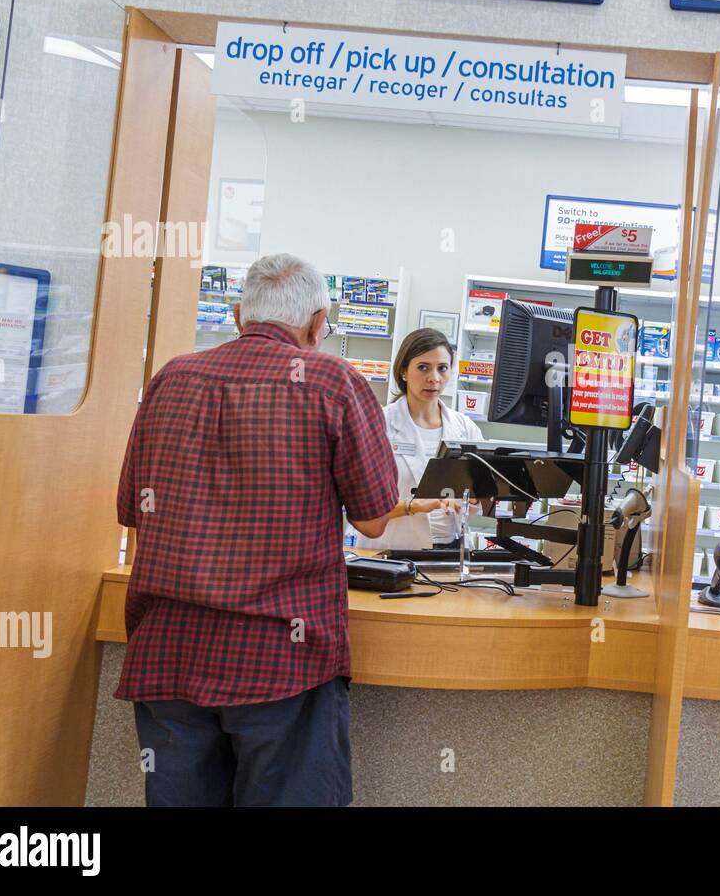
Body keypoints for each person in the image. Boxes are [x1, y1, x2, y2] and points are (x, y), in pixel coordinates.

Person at [115, 253, 399, 807]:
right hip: (280, 660)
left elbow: (131, 507)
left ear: (239, 314)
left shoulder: (172, 376)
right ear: (320, 323)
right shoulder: (333, 382)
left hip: (168, 654)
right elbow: (372, 519)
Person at [356, 328, 483, 551]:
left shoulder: (465, 429)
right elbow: (361, 505)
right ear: (404, 371)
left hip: (449, 552)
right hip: (390, 549)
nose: (434, 378)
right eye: (423, 367)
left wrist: (473, 500)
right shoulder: (378, 424)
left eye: (442, 368)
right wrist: (414, 506)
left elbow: (479, 499)